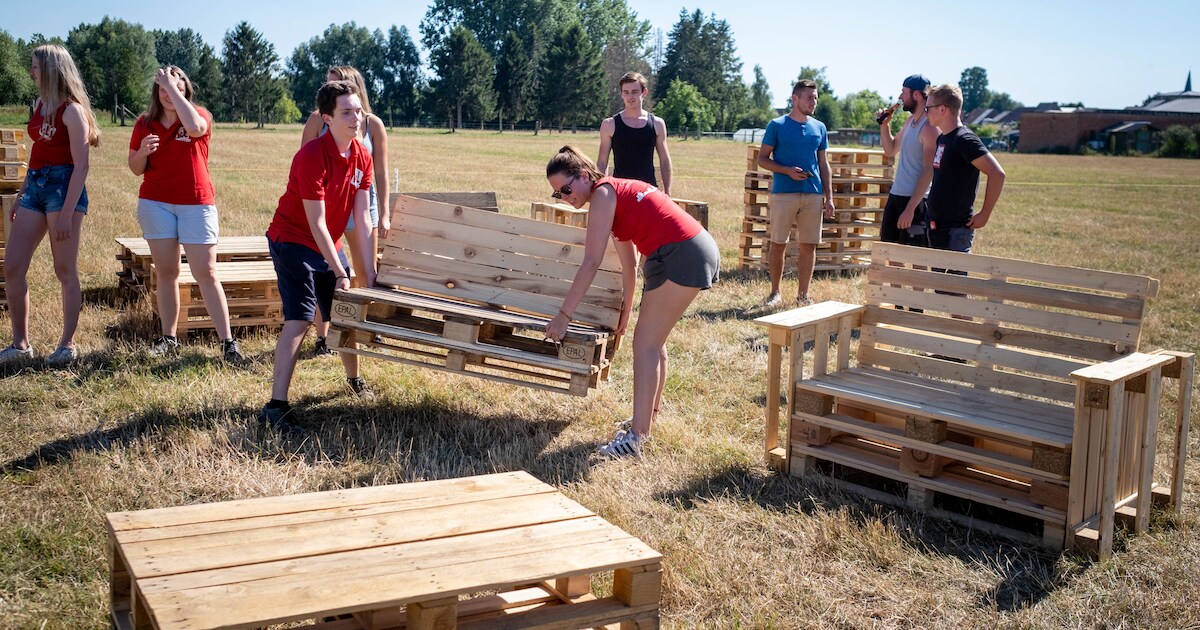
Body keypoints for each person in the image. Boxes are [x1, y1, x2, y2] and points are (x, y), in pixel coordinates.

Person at [544, 146, 719, 458]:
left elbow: (591, 262)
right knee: (653, 342)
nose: (565, 197)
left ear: (584, 177)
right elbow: (629, 266)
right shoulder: (611, 197)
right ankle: (647, 419)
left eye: (567, 189)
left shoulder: (603, 195)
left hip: (682, 253)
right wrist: (625, 313)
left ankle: (636, 438)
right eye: (558, 194)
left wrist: (563, 315)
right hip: (684, 250)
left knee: (646, 346)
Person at [259, 80, 376, 432]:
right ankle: (276, 406)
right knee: (300, 318)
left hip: (327, 242)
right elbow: (316, 221)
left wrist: (367, 271)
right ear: (327, 117)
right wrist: (340, 269)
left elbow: (363, 218)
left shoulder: (362, 156)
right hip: (292, 239)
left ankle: (354, 381)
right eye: (346, 112)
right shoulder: (311, 156)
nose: (356, 118)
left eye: (358, 110)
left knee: (343, 313)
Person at [127, 67, 244, 363]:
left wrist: (174, 90)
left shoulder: (199, 114)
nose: (167, 94)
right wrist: (141, 151)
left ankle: (227, 342)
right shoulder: (145, 122)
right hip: (156, 204)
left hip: (196, 203)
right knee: (167, 272)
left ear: (185, 88)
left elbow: (194, 129)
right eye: (162, 89)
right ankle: (169, 338)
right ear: (156, 92)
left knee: (206, 273)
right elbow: (135, 167)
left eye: (174, 87)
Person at [1, 44, 101, 367]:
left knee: (64, 270)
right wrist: (22, 192)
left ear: (52, 70)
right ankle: (20, 344)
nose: (31, 71)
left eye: (35, 66)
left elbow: (82, 166)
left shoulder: (72, 112)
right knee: (13, 266)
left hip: (64, 188)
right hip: (37, 185)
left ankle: (67, 345)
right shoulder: (40, 103)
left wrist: (68, 214)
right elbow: (38, 154)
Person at [300, 65, 390, 357]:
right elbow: (304, 163)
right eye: (326, 85)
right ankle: (323, 336)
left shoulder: (373, 124)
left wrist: (385, 212)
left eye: (335, 84)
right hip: (330, 204)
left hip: (363, 202)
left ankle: (369, 328)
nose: (328, 90)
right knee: (326, 271)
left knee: (366, 270)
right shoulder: (317, 120)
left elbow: (381, 173)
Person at [757, 79, 834, 308]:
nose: (814, 102)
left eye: (816, 97)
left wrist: (829, 197)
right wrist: (786, 171)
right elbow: (762, 159)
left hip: (812, 194)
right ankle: (774, 293)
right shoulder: (777, 125)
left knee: (808, 245)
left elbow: (824, 163)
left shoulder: (819, 127)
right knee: (778, 242)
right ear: (795, 98)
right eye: (809, 97)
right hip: (784, 194)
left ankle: (803, 295)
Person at [923, 84, 1006, 253]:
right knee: (937, 280)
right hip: (937, 227)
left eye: (928, 108)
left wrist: (984, 214)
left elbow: (997, 174)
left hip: (956, 230)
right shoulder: (942, 138)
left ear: (942, 109)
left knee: (955, 280)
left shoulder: (965, 139)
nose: (926, 113)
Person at [877, 74, 938, 247]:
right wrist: (884, 126)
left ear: (916, 94)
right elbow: (890, 150)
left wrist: (910, 209)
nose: (900, 97)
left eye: (904, 92)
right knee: (891, 251)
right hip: (896, 195)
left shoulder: (930, 128)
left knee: (917, 259)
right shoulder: (910, 121)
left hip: (916, 201)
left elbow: (928, 172)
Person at [596, 72, 672, 196]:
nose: (630, 96)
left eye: (635, 92)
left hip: (649, 191)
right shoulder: (609, 124)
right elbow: (602, 162)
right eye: (626, 92)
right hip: (620, 192)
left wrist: (668, 191)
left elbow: (664, 160)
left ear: (644, 92)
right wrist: (600, 192)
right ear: (621, 94)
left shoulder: (657, 124)